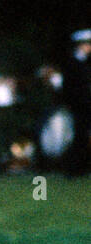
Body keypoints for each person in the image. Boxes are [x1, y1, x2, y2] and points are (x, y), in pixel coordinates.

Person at [64, 29, 91, 178]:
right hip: (79, 106)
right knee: (79, 136)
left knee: (83, 135)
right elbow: (70, 87)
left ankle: (80, 167)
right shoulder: (73, 62)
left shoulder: (83, 62)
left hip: (84, 105)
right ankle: (74, 169)